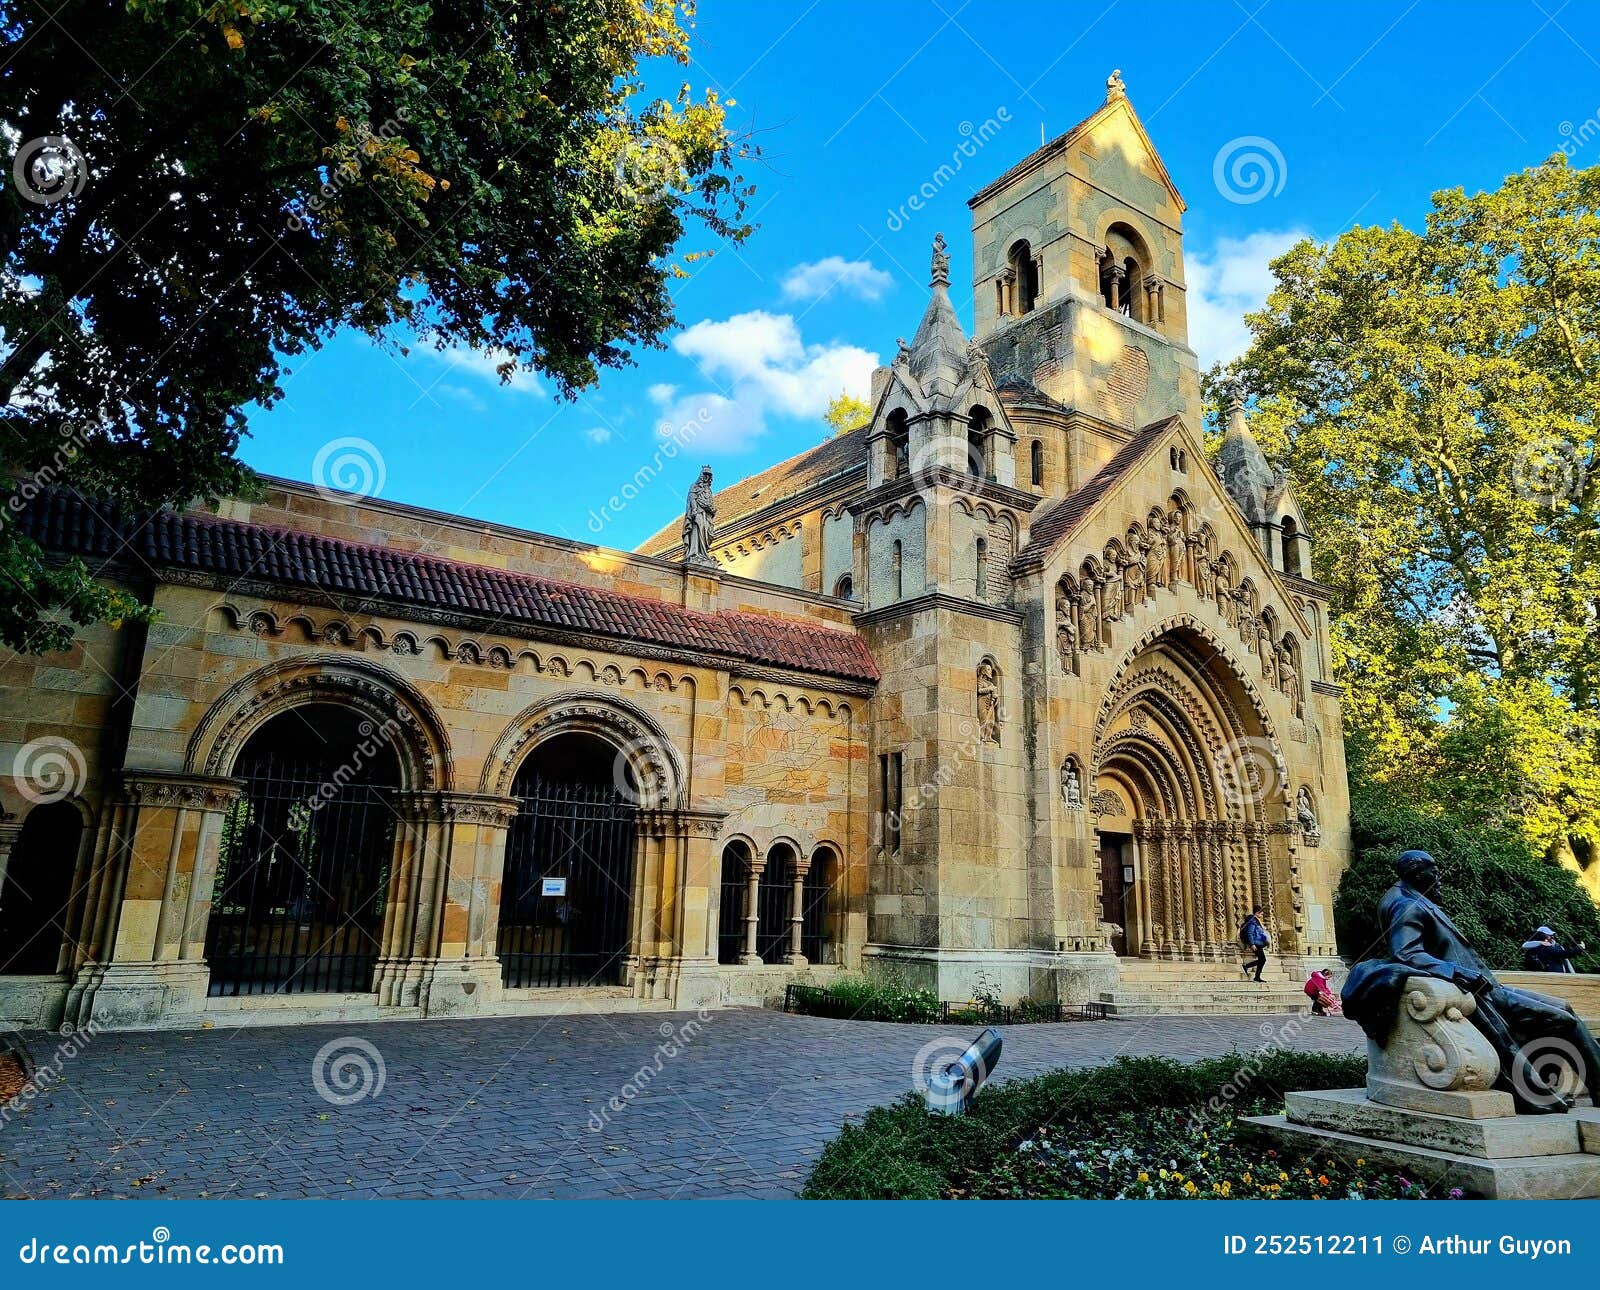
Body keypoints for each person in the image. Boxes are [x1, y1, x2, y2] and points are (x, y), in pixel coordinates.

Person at [1343, 849, 1600, 1114]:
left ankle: (1555, 1083)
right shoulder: (1404, 903)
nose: (1438, 877)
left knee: (1565, 1009)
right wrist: (1455, 972)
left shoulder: (1414, 897)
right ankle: (1567, 1088)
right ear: (1417, 873)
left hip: (1487, 986)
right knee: (1563, 1020)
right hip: (1476, 991)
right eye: (1434, 871)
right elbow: (1406, 952)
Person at [1240, 905, 1269, 982]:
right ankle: (1250, 970)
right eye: (1261, 914)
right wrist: (1252, 944)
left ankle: (1252, 972)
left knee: (1262, 960)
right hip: (1255, 943)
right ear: (1257, 913)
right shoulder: (1252, 921)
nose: (1262, 915)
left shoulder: (1256, 921)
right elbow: (1250, 933)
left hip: (1258, 943)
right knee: (1262, 959)